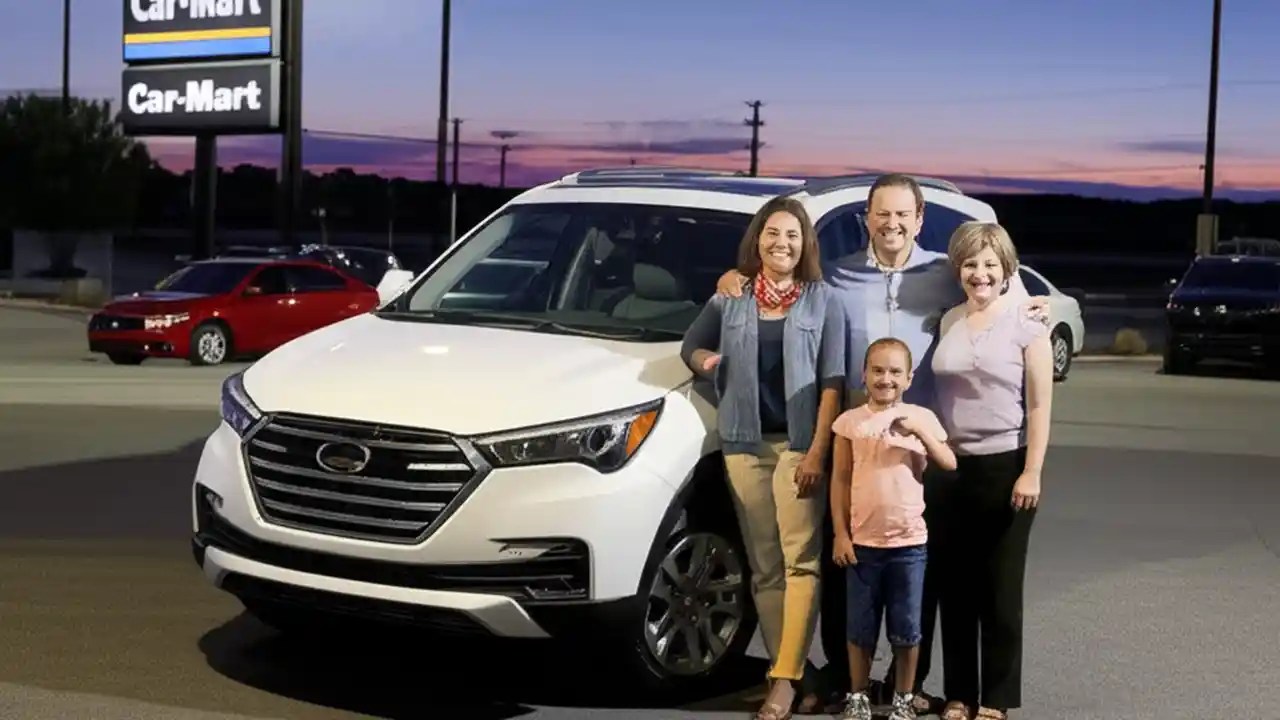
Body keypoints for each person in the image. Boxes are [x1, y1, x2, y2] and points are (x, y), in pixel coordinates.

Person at [715, 174, 1048, 713]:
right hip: (858, 443)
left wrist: (1036, 308)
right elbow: (780, 275)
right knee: (850, 562)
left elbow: (999, 285)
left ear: (919, 219)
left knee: (923, 572)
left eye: (903, 215)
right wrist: (736, 276)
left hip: (927, 450)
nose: (892, 224)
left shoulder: (944, 273)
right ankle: (850, 683)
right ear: (865, 219)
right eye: (881, 214)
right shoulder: (838, 278)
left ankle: (905, 687)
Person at [681, 195, 846, 720]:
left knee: (801, 562)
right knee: (764, 567)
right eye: (773, 233)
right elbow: (692, 345)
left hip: (799, 445)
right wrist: (709, 361)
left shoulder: (824, 301)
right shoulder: (731, 296)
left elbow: (832, 385)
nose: (782, 243)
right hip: (743, 444)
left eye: (793, 235)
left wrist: (818, 450)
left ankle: (782, 683)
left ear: (806, 244)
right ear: (757, 239)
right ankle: (794, 673)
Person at [929, 221, 1054, 720]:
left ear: (1007, 271)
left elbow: (1041, 405)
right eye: (970, 264)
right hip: (949, 467)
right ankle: (959, 692)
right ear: (958, 269)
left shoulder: (1028, 322)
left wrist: (1033, 471)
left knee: (1000, 590)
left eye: (989, 265)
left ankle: (998, 699)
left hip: (1007, 465)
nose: (979, 274)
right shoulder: (948, 321)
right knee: (955, 588)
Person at [829, 337, 956, 720]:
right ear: (864, 374)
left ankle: (903, 696)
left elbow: (948, 462)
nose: (886, 379)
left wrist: (919, 431)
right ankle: (858, 695)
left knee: (907, 627)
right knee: (860, 628)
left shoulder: (921, 418)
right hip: (863, 545)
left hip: (909, 544)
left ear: (909, 378)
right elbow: (840, 479)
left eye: (895, 372)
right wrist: (840, 532)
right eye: (878, 371)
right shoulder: (850, 422)